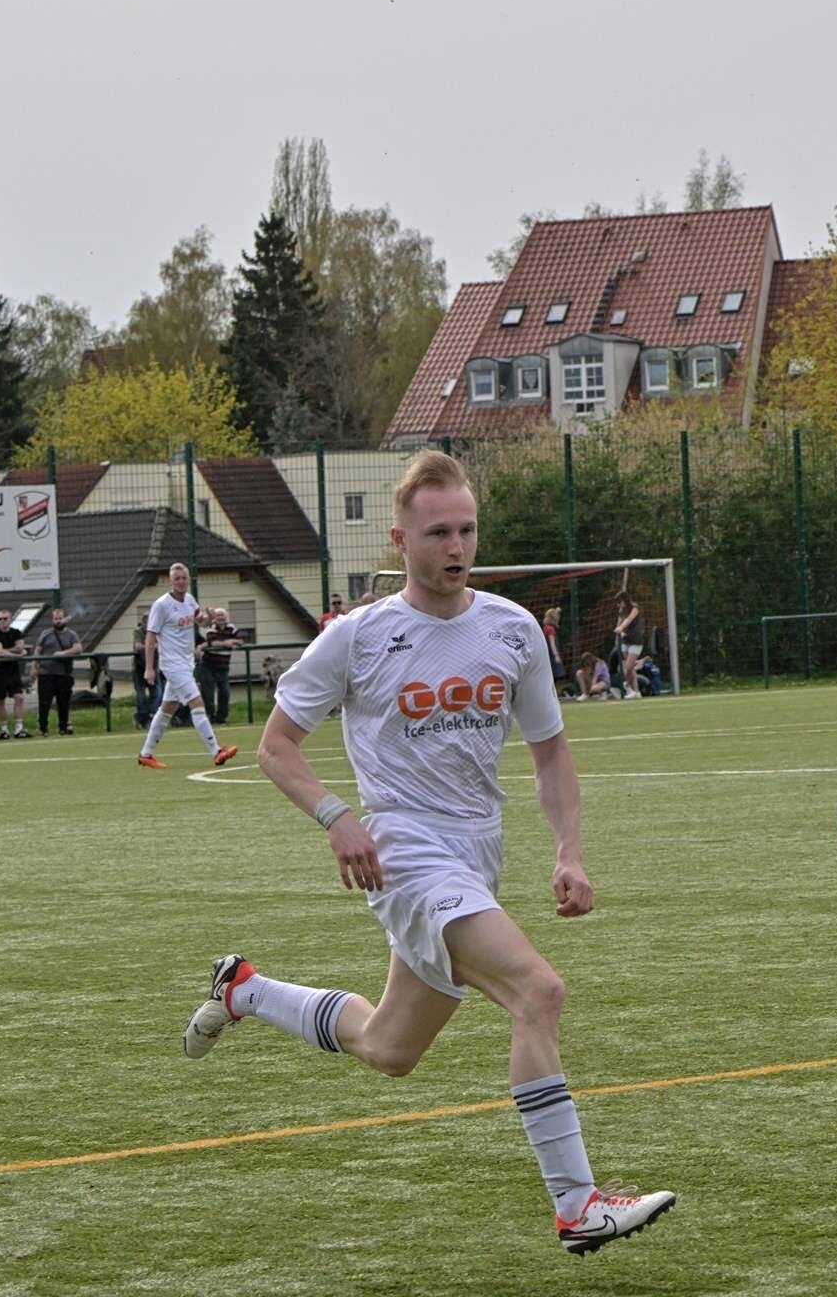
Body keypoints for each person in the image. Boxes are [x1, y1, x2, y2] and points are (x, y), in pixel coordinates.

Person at [179, 450, 674, 1255]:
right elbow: (276, 747)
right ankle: (578, 1207)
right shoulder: (359, 638)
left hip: (476, 856)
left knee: (388, 1047)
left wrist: (569, 851)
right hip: (404, 853)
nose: (457, 546)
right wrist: (339, 818)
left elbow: (550, 750)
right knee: (537, 992)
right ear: (399, 539)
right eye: (439, 531)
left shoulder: (511, 630)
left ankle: (244, 990)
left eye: (468, 529)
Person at [137, 563, 237, 769]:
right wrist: (149, 668)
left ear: (188, 579)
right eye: (177, 579)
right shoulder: (162, 605)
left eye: (184, 578)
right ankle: (216, 751)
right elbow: (150, 637)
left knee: (167, 709)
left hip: (186, 663)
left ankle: (146, 754)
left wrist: (208, 618)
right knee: (197, 701)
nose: (181, 582)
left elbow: (201, 622)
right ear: (171, 581)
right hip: (172, 665)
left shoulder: (190, 600)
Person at [34, 608, 85, 736]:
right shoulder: (45, 634)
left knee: (63, 703)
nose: (58, 621)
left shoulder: (72, 634)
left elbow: (78, 648)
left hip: (64, 674)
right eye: (55, 619)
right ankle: (43, 728)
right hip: (46, 674)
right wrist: (35, 667)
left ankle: (63, 727)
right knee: (44, 702)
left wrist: (63, 653)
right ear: (52, 620)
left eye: (60, 618)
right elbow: (38, 650)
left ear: (65, 618)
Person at [0, 608, 31, 740]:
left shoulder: (16, 633)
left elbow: (20, 647)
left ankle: (19, 729)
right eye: (0, 619)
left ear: (10, 619)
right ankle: (4, 730)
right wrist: (15, 653)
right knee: (0, 701)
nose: (2, 621)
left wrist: (7, 651)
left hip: (13, 671)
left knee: (19, 698)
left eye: (5, 618)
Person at [198, 607, 242, 724]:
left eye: (222, 615)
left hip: (223, 667)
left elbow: (241, 640)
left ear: (226, 617)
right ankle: (210, 717)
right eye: (218, 615)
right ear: (214, 619)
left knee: (225, 692)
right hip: (208, 666)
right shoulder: (210, 629)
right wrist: (228, 643)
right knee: (208, 693)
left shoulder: (232, 628)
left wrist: (232, 642)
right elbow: (212, 642)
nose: (220, 617)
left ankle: (221, 718)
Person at [611, 589, 644, 701]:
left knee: (629, 667)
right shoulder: (621, 611)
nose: (618, 605)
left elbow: (629, 619)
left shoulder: (635, 608)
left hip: (635, 640)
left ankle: (626, 685)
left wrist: (621, 628)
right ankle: (635, 691)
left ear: (625, 601)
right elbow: (619, 622)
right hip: (626, 641)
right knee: (629, 669)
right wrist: (619, 629)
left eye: (619, 602)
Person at [541, 606, 571, 695]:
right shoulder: (550, 629)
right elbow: (552, 643)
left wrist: (558, 610)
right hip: (551, 656)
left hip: (546, 656)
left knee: (550, 677)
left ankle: (551, 694)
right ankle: (553, 695)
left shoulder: (545, 627)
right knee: (556, 676)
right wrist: (556, 655)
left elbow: (555, 613)